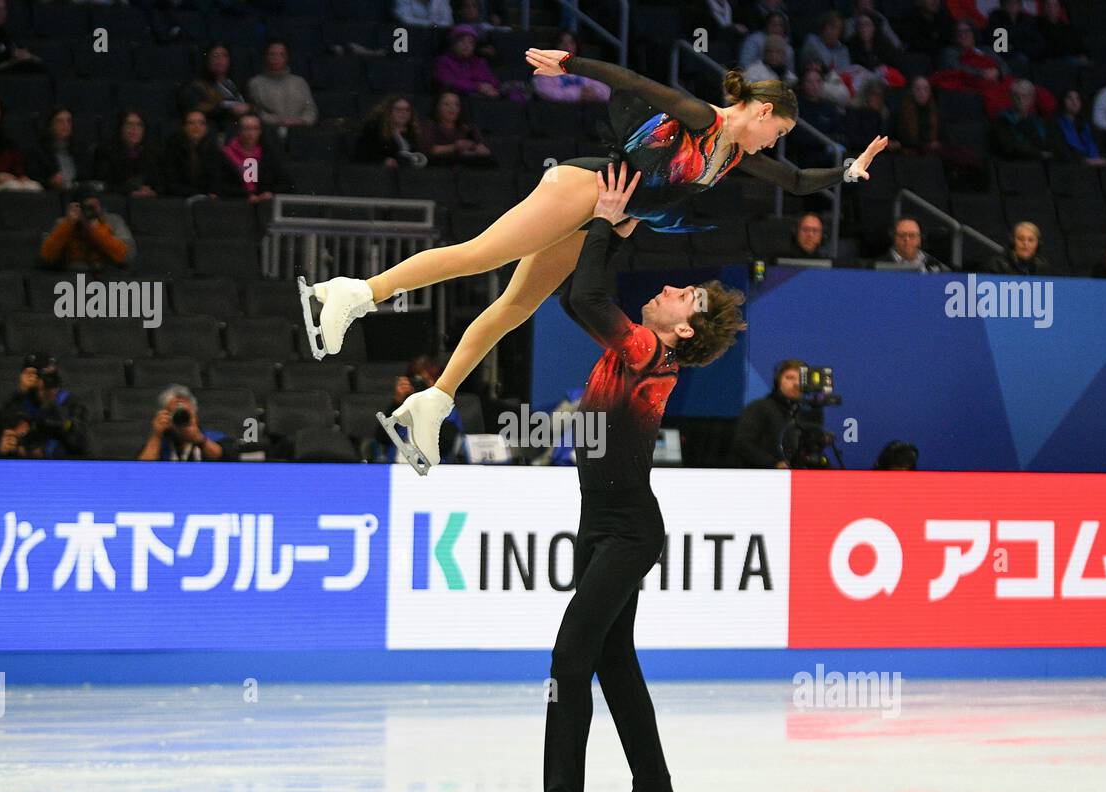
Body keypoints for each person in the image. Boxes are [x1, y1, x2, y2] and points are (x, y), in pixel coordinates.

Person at [307, 53, 888, 473]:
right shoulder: (703, 119)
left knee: (516, 306)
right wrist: (572, 64)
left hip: (601, 210)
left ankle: (433, 403)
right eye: (778, 131)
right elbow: (635, 80)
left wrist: (848, 172)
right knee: (477, 255)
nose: (775, 143)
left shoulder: (732, 155)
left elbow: (794, 178)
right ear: (760, 110)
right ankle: (353, 293)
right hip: (584, 186)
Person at [530, 165, 747, 792]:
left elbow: (587, 294)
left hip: (627, 530)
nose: (679, 288)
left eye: (690, 297)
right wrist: (614, 230)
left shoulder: (652, 353)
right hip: (604, 527)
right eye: (687, 287)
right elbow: (579, 299)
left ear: (684, 333)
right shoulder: (636, 350)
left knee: (571, 657)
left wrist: (606, 219)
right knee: (613, 661)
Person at [0, 354, 89, 459]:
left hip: (56, 461)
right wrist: (23, 392)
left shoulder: (71, 403)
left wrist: (51, 402)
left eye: (51, 376)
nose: (45, 382)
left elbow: (79, 443)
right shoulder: (16, 402)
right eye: (40, 375)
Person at [376, 357, 466, 464]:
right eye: (415, 380)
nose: (420, 385)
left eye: (425, 381)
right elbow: (381, 438)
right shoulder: (401, 406)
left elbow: (445, 446)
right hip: (397, 465)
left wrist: (430, 406)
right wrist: (396, 403)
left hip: (434, 469)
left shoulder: (447, 409)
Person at [732, 359, 818, 468]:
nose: (796, 383)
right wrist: (774, 464)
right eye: (790, 378)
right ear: (778, 381)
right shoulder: (759, 408)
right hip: (764, 476)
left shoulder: (809, 412)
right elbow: (743, 443)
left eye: (801, 378)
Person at [38, 184, 134, 272]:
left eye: (93, 206)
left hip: (107, 276)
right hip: (69, 280)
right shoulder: (63, 224)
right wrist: (68, 224)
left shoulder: (114, 221)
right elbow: (46, 257)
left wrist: (95, 228)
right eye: (85, 206)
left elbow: (126, 257)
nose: (89, 209)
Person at [138, 385, 234, 461]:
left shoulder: (215, 438)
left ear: (195, 416)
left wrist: (200, 440)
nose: (181, 417)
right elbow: (141, 470)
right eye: (175, 413)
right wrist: (156, 435)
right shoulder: (159, 443)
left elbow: (226, 460)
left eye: (186, 413)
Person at [246, 39, 317, 136]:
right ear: (266, 56)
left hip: (301, 131)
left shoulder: (300, 82)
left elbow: (310, 109)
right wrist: (280, 121)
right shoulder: (255, 83)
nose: (277, 58)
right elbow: (257, 112)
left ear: (286, 57)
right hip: (270, 133)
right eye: (272, 54)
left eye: (281, 54)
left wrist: (302, 121)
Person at [178, 44, 249, 137]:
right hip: (217, 127)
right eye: (215, 56)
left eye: (224, 55)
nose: (220, 59)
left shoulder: (236, 84)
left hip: (243, 124)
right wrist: (228, 109)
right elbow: (197, 108)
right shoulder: (196, 86)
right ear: (207, 60)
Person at [221, 109, 291, 204]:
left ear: (260, 131)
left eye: (255, 128)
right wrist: (246, 195)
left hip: (264, 206)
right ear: (238, 131)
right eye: (247, 129)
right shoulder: (225, 154)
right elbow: (220, 186)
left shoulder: (268, 155)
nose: (251, 134)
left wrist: (270, 193)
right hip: (235, 205)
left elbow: (287, 184)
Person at [92, 110, 163, 197]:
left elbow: (161, 185)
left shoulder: (153, 154)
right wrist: (129, 192)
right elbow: (104, 185)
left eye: (139, 125)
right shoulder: (106, 152)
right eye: (129, 124)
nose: (134, 129)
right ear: (121, 128)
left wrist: (152, 191)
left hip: (148, 205)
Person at [162, 109, 230, 197]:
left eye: (201, 123)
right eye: (191, 123)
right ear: (184, 127)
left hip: (206, 201)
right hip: (177, 200)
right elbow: (171, 183)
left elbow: (217, 180)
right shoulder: (172, 148)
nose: (196, 127)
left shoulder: (213, 150)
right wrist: (200, 194)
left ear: (207, 128)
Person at [418, 90, 494, 165]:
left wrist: (475, 147)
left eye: (456, 104)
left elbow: (485, 149)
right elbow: (427, 150)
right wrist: (454, 147)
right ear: (437, 106)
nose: (452, 108)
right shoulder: (429, 125)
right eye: (446, 104)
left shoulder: (468, 127)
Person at [531, 31, 609, 102]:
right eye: (563, 42)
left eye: (571, 43)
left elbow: (606, 90)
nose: (567, 46)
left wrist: (595, 92)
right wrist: (577, 94)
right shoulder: (545, 69)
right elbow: (546, 91)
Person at [352, 94, 427, 168]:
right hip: (379, 174)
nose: (404, 113)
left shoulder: (412, 132)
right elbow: (363, 154)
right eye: (398, 110)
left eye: (407, 110)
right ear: (388, 111)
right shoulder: (374, 129)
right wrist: (383, 161)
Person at [25, 107, 87, 191]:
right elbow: (32, 178)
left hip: (75, 194)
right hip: (48, 196)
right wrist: (50, 181)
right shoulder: (38, 150)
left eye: (69, 121)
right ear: (50, 125)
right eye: (60, 121)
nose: (66, 125)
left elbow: (84, 178)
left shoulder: (79, 149)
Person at [1054, 88, 1106, 165]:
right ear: (1062, 101)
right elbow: (1061, 150)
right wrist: (1083, 160)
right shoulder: (1055, 124)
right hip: (1072, 167)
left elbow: (1100, 146)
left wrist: (1103, 158)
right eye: (1070, 98)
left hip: (1096, 166)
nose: (1074, 102)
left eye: (1077, 99)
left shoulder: (1087, 125)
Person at [986, 221, 1051, 275]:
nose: (1025, 243)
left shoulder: (1043, 267)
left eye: (1031, 240)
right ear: (1012, 242)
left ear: (1038, 244)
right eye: (1021, 239)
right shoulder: (998, 265)